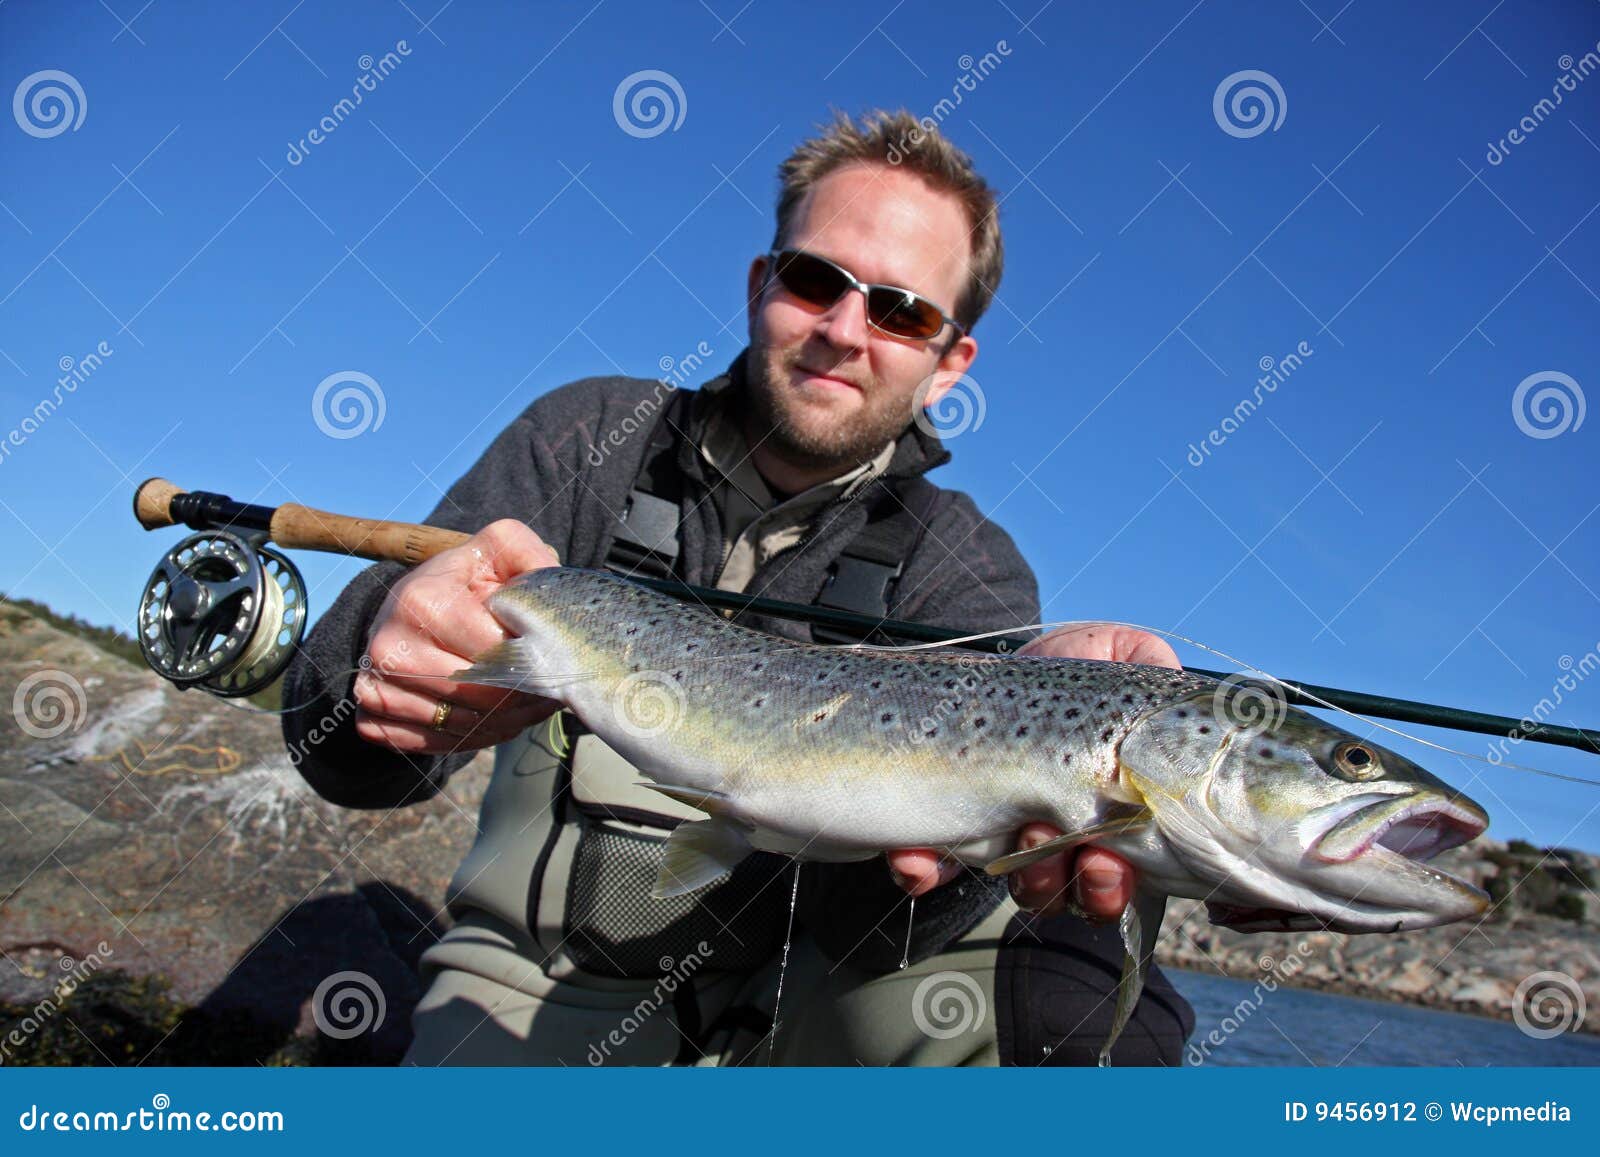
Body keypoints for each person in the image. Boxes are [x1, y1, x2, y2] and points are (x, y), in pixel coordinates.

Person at [282, 109, 1193, 1066]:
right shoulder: (590, 434)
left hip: (809, 994)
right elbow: (345, 764)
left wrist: (982, 844)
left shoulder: (968, 562)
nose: (844, 330)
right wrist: (380, 654)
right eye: (815, 281)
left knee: (1096, 1009)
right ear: (762, 284)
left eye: (902, 310)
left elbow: (886, 936)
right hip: (540, 976)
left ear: (950, 359)